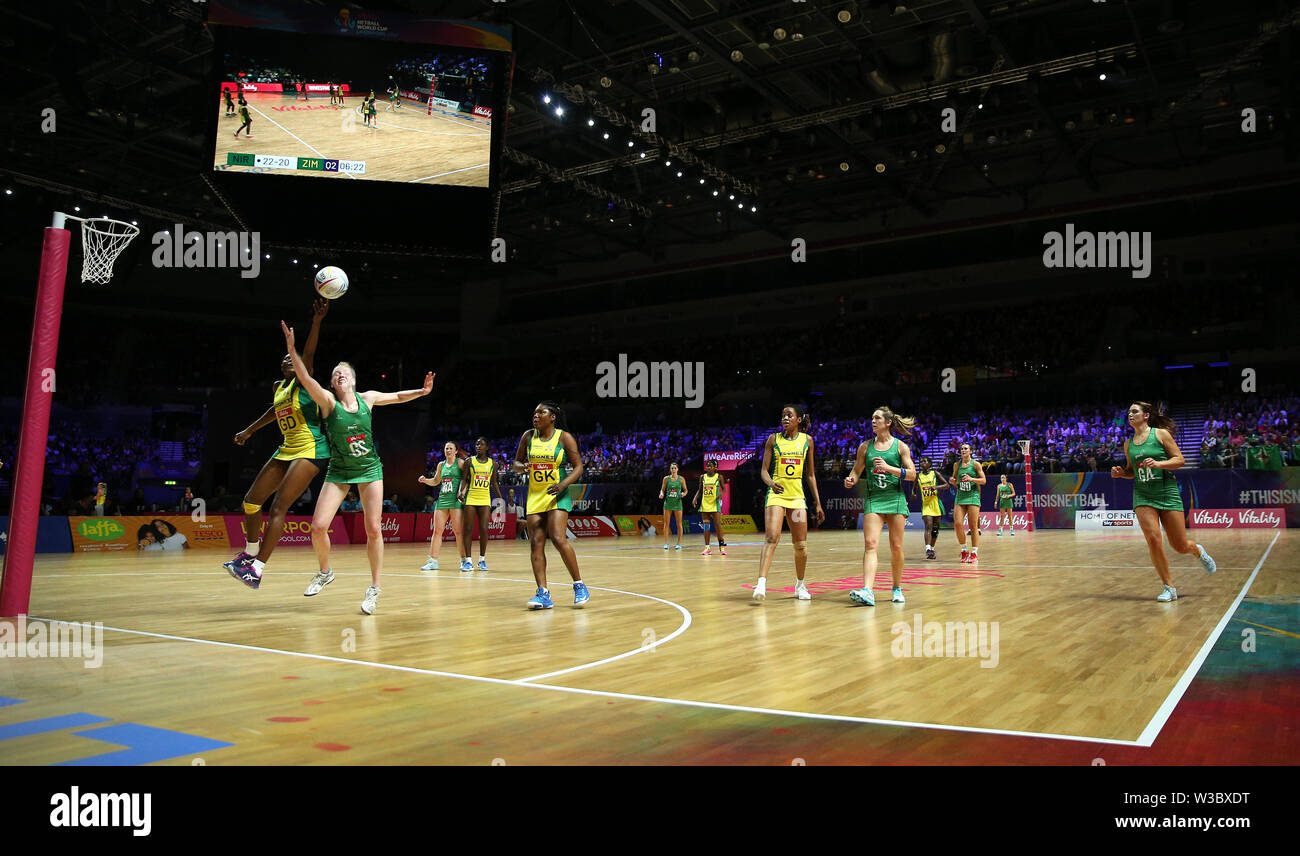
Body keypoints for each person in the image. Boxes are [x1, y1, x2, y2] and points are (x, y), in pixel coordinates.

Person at [281, 319, 435, 614]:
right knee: (317, 527)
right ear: (332, 383)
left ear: (352, 380)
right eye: (335, 373)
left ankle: (375, 588)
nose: (339, 375)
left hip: (369, 470)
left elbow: (399, 397)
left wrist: (422, 392)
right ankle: (325, 572)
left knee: (374, 529)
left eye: (344, 373)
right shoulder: (327, 402)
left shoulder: (369, 399)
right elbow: (306, 380)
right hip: (339, 471)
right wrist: (292, 349)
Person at [225, 300, 330, 588]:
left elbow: (308, 352)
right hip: (287, 448)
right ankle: (250, 552)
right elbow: (274, 412)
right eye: (284, 359)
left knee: (278, 508)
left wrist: (317, 321)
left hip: (311, 449)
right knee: (250, 501)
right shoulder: (278, 388)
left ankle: (256, 570)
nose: (287, 361)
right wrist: (249, 431)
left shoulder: (305, 383)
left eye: (291, 359)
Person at [1111, 401, 1216, 601]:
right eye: (1129, 412)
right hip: (1142, 495)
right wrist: (1121, 473)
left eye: (1135, 411)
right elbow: (1132, 471)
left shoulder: (1160, 435)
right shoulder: (1128, 444)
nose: (1130, 415)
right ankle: (1169, 587)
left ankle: (1197, 550)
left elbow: (1179, 460)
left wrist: (1159, 463)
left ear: (1146, 415)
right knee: (1153, 538)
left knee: (1179, 545)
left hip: (1167, 492)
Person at [511, 401, 589, 609]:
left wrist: (563, 484)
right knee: (536, 542)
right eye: (534, 412)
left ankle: (579, 585)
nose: (536, 416)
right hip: (536, 495)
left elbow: (578, 467)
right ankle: (543, 593)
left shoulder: (564, 437)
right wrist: (523, 467)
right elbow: (515, 464)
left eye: (541, 412)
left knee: (556, 537)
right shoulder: (528, 436)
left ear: (552, 417)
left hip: (557, 493)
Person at [752, 404, 824, 602]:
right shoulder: (773, 439)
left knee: (800, 545)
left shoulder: (807, 441)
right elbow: (764, 471)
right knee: (771, 537)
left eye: (789, 415)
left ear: (798, 420)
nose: (784, 418)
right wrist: (771, 483)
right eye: (782, 415)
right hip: (777, 495)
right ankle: (761, 583)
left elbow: (810, 474)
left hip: (797, 498)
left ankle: (800, 585)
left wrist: (817, 503)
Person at [845, 406, 917, 606]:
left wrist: (888, 468)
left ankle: (896, 588)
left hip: (895, 499)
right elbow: (856, 470)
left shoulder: (901, 447)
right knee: (870, 544)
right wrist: (851, 479)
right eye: (872, 418)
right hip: (873, 500)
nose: (873, 421)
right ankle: (868, 590)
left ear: (888, 423)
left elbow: (912, 474)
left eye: (877, 418)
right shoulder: (865, 447)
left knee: (896, 547)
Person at [418, 441, 468, 571]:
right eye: (446, 448)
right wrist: (425, 480)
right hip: (442, 501)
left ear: (456, 451)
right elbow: (436, 481)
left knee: (458, 531)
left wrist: (462, 493)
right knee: (437, 531)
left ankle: (464, 560)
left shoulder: (459, 463)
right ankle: (433, 561)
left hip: (455, 501)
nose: (448, 450)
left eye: (451, 448)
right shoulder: (441, 465)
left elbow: (466, 479)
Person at [461, 437, 503, 570]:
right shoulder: (469, 461)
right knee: (468, 529)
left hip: (485, 499)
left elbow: (494, 482)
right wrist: (461, 492)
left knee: (484, 529)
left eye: (482, 444)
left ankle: (482, 560)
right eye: (477, 444)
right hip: (471, 498)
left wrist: (500, 499)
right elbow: (464, 479)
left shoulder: (493, 464)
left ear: (487, 447)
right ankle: (468, 561)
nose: (478, 446)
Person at [947, 443, 986, 563]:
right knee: (958, 524)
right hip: (960, 497)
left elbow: (983, 480)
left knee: (973, 526)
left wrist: (971, 479)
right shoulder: (956, 465)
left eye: (966, 449)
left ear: (971, 451)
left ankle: (974, 553)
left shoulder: (976, 464)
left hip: (973, 497)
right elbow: (955, 480)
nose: (963, 450)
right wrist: (952, 481)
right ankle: (964, 550)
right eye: (962, 449)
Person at [911, 456, 949, 560]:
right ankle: (928, 549)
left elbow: (947, 485)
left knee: (935, 530)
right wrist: (913, 494)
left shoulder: (935, 473)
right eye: (921, 461)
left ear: (929, 464)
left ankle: (932, 549)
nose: (922, 463)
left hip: (936, 504)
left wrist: (936, 487)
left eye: (924, 461)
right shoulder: (918, 476)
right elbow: (914, 489)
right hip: (926, 505)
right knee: (928, 526)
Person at [693, 459, 727, 555]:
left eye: (710, 466)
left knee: (717, 525)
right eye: (707, 466)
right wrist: (695, 498)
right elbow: (700, 490)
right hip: (705, 504)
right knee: (706, 527)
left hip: (714, 504)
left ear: (715, 468)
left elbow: (724, 489)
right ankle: (707, 548)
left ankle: (721, 546)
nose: (708, 467)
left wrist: (721, 494)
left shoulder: (719, 477)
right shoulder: (702, 477)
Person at [658, 462, 688, 551]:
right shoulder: (666, 479)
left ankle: (679, 543)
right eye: (672, 468)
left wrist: (683, 494)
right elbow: (662, 490)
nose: (673, 470)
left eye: (675, 468)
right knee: (666, 524)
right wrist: (661, 494)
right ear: (670, 470)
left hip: (678, 504)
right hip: (668, 504)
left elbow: (686, 490)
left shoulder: (681, 479)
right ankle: (666, 543)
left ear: (677, 469)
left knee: (679, 524)